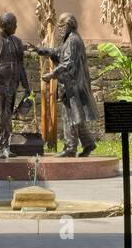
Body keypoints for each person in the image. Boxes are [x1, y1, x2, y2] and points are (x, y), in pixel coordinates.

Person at [28, 12, 99, 157]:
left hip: (74, 86)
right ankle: (88, 143)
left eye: (61, 26)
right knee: (75, 116)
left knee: (70, 117)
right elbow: (57, 52)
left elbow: (68, 63)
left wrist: (51, 75)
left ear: (67, 25)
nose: (59, 29)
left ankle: (70, 148)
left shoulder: (73, 40)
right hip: (71, 85)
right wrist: (38, 50)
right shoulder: (69, 40)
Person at [0, 11, 30, 160]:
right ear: (5, 25)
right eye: (14, 24)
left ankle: (6, 147)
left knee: (7, 117)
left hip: (11, 86)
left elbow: (21, 66)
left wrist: (26, 86)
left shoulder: (17, 42)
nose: (16, 26)